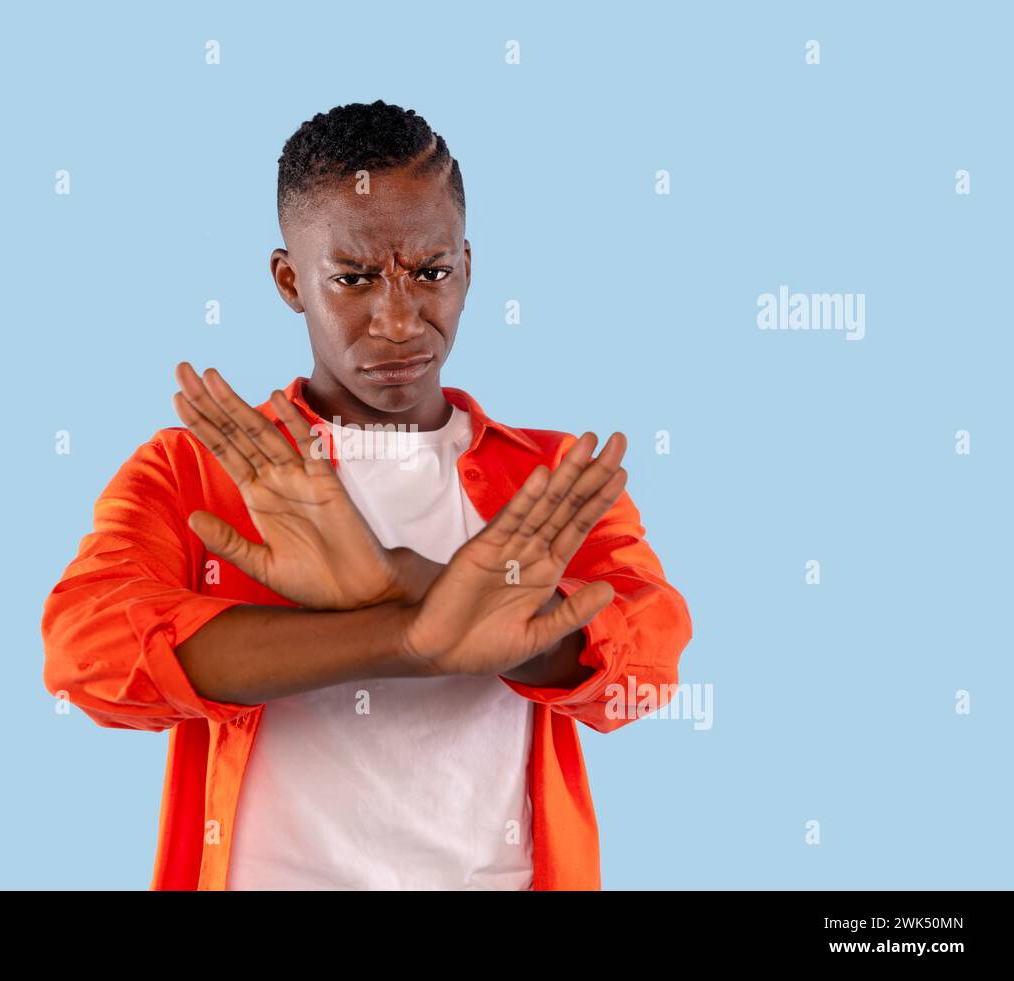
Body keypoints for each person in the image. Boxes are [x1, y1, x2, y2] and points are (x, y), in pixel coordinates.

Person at [41, 99, 693, 890]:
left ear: (468, 266)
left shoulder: (550, 479)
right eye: (352, 278)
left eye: (431, 273)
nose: (397, 321)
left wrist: (402, 580)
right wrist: (402, 634)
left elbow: (648, 659)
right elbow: (87, 649)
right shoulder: (195, 470)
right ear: (289, 280)